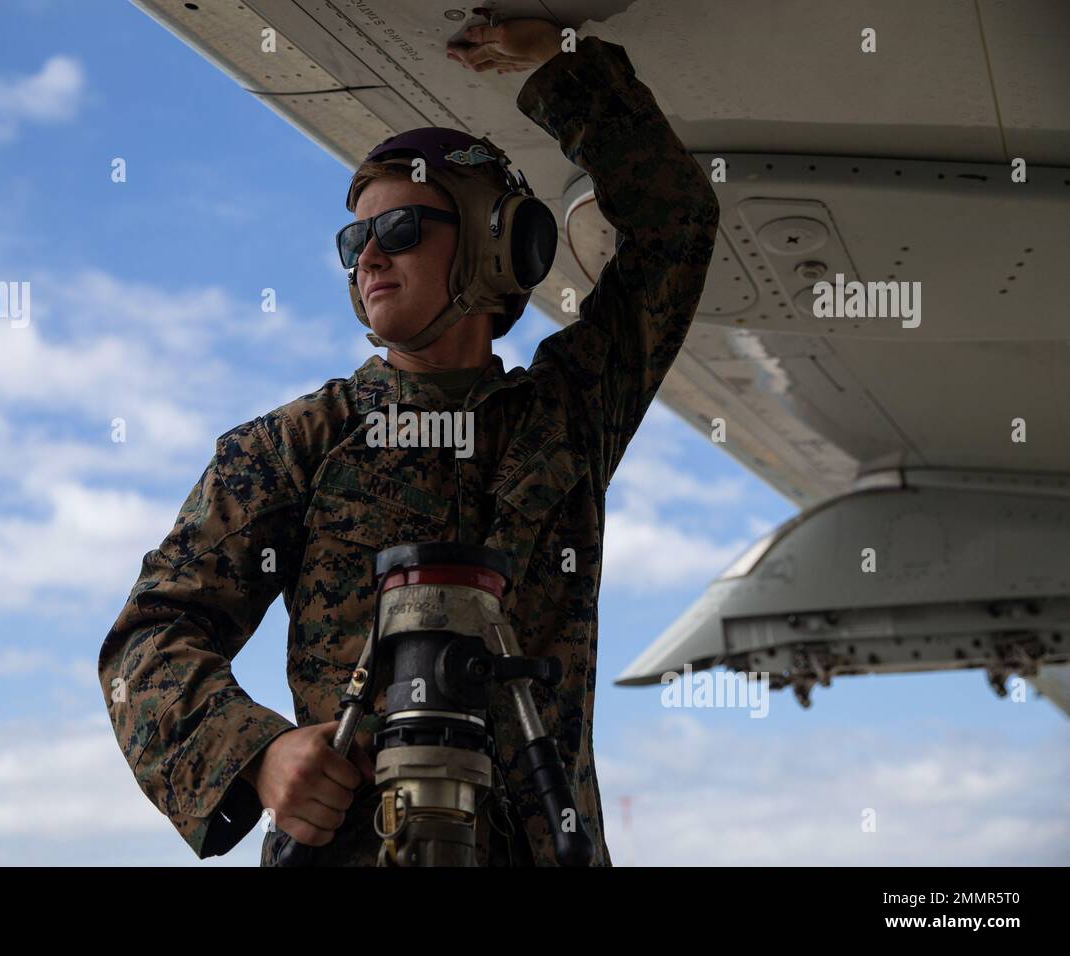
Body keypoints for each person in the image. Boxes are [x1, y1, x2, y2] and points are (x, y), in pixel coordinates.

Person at [97, 15, 720, 866]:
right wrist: (261, 753)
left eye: (400, 231)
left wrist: (560, 67)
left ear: (496, 242)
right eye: (355, 242)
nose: (369, 259)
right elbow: (149, 639)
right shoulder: (293, 446)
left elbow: (674, 226)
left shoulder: (566, 415)